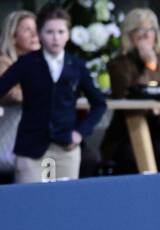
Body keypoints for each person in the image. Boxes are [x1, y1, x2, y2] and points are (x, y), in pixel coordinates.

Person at [0, 4, 106, 183]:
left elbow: (99, 103)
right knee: (31, 202)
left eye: (61, 32)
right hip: (31, 148)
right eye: (49, 32)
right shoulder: (27, 64)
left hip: (66, 147)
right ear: (40, 34)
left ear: (68, 34)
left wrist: (80, 133)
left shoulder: (77, 66)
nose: (55, 38)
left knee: (64, 203)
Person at [100, 8, 160, 174]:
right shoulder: (118, 64)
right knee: (131, 159)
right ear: (129, 35)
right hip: (127, 134)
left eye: (150, 30)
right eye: (140, 30)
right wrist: (147, 66)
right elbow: (125, 95)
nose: (146, 35)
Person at [0, 9, 39, 104]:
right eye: (27, 30)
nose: (35, 35)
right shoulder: (3, 63)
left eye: (37, 29)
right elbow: (9, 93)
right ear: (13, 36)